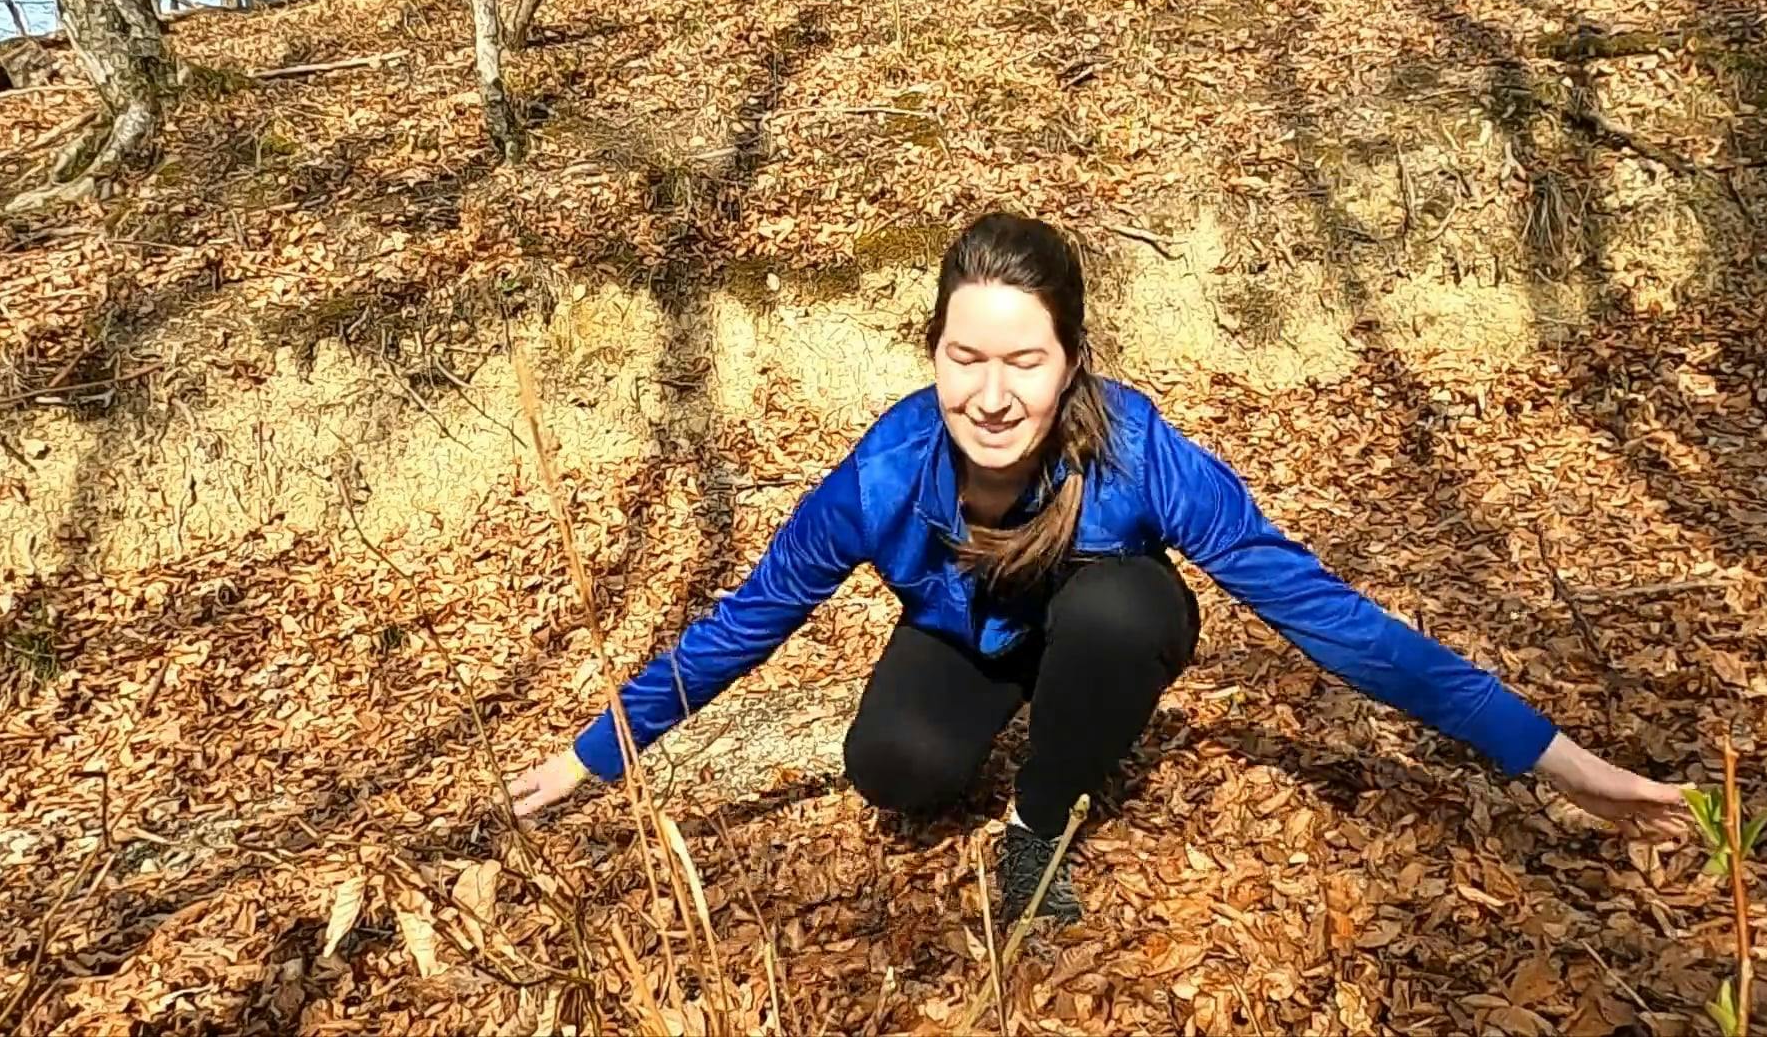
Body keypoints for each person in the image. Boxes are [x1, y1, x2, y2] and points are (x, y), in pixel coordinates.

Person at [508, 211, 1689, 923]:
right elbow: (748, 620)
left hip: (1100, 614)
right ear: (931, 352)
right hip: (971, 637)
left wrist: (1551, 757)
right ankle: (1016, 703)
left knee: (1121, 610)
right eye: (965, 356)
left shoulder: (1137, 456)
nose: (991, 392)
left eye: (1024, 360)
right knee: (895, 771)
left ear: (1070, 362)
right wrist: (594, 753)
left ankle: (1037, 824)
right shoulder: (880, 477)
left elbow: (1331, 617)